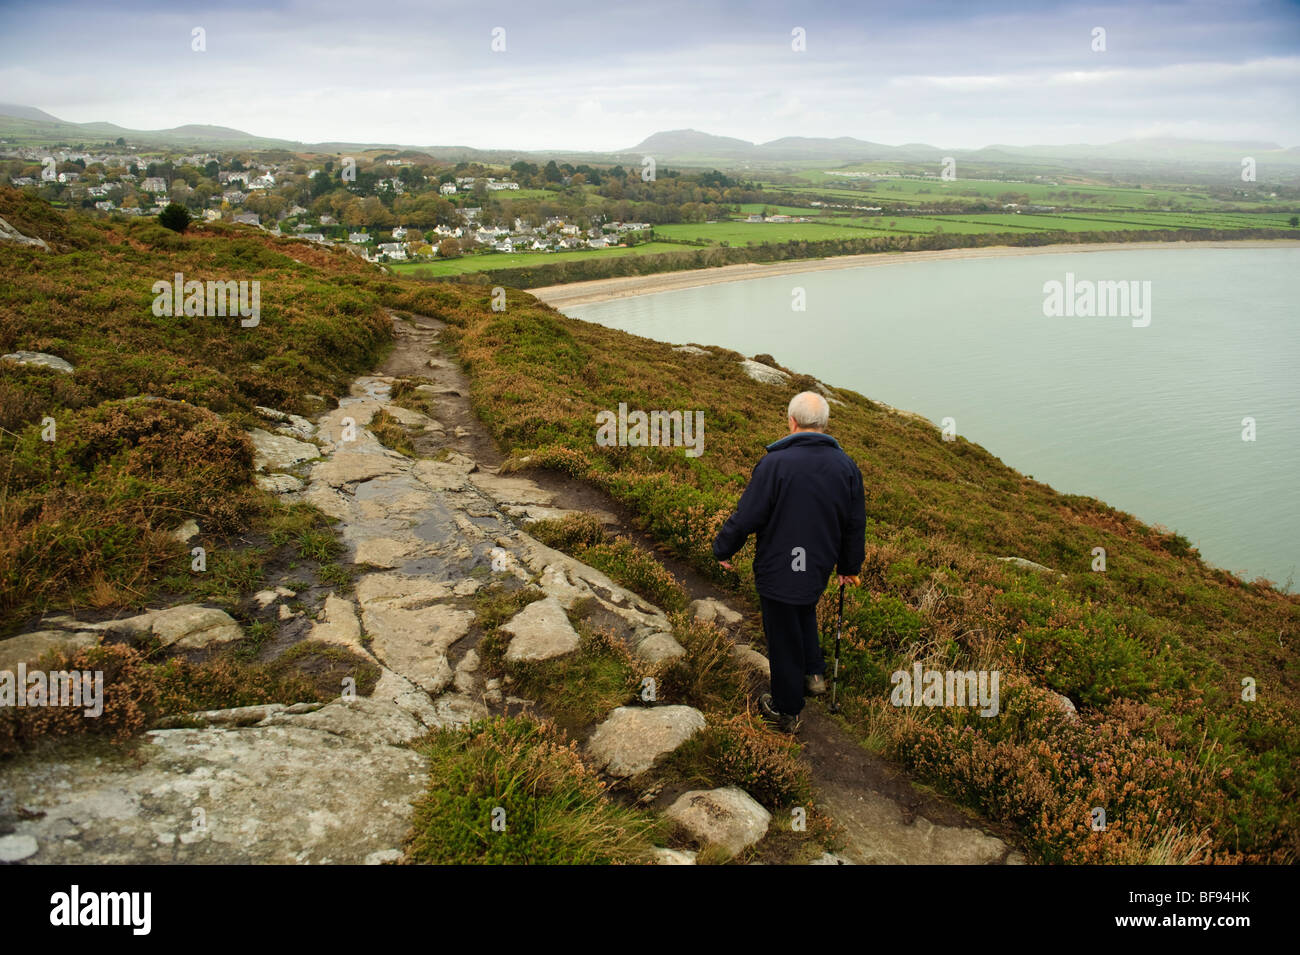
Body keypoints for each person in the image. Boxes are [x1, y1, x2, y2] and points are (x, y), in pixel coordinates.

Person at [713, 391, 865, 733]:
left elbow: (748, 514)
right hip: (817, 563)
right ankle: (813, 672)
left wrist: (724, 549)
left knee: (782, 632)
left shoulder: (775, 463)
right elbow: (854, 522)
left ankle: (786, 709)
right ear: (824, 425)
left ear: (791, 422)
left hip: (780, 562)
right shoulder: (846, 467)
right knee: (803, 607)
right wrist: (848, 567)